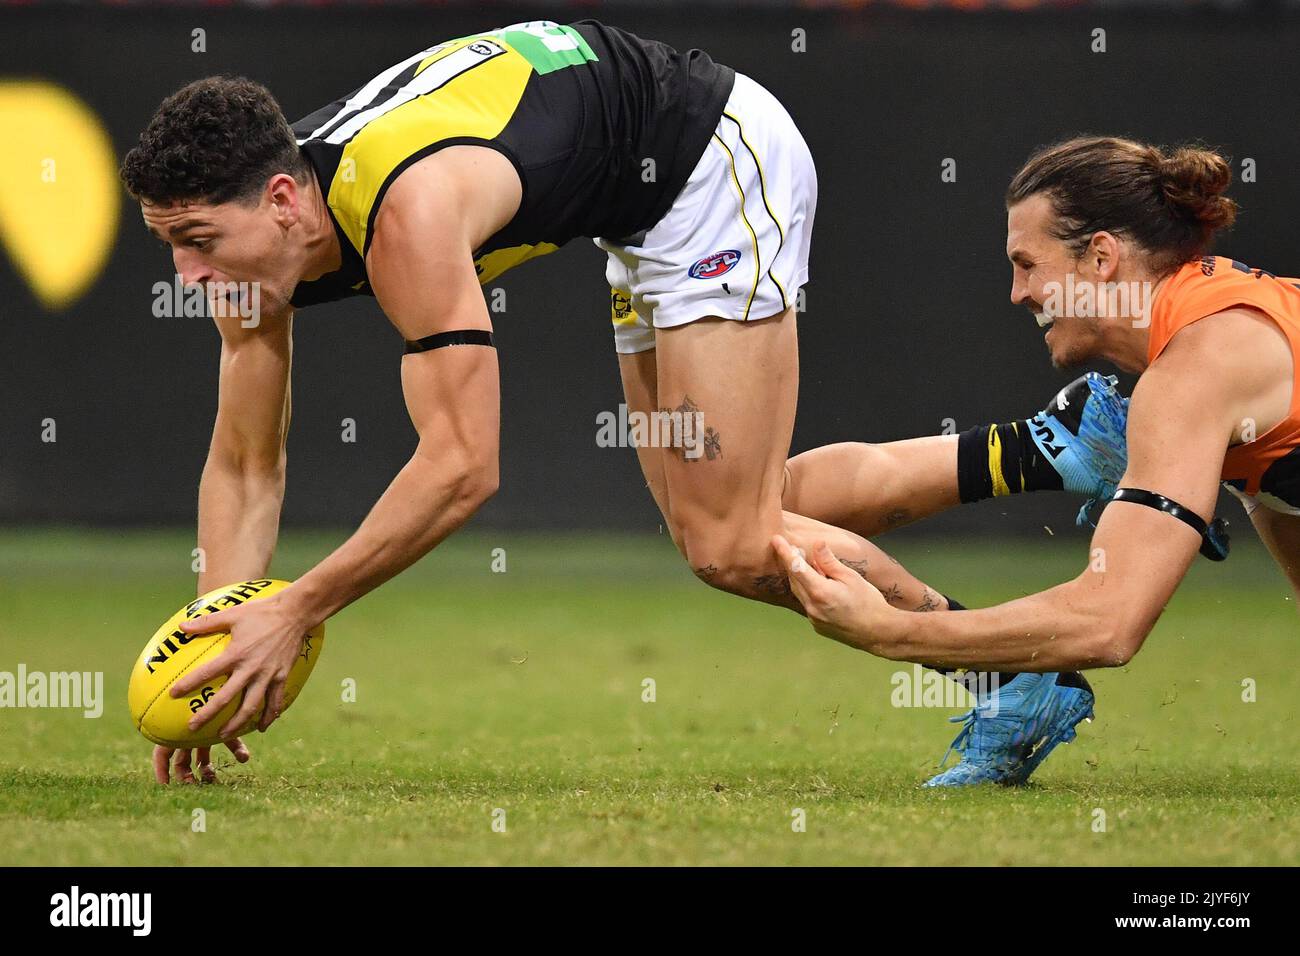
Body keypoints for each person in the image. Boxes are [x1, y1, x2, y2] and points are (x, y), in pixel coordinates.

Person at [120, 20, 1105, 786]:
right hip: (635, 203)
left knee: (732, 536)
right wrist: (220, 644)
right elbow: (248, 463)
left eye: (200, 238)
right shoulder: (255, 266)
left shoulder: (403, 213)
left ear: (284, 202)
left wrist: (298, 607)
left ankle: (1011, 678)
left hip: (712, 157)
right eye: (171, 243)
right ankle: (1051, 447)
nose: (188, 272)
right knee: (725, 523)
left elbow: (464, 465)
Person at [773, 136, 1299, 782]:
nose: (1017, 293)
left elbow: (1109, 623)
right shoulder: (1217, 343)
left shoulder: (1198, 365)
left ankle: (1088, 442)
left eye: (1027, 264)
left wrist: (888, 631)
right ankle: (1087, 442)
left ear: (1101, 256)